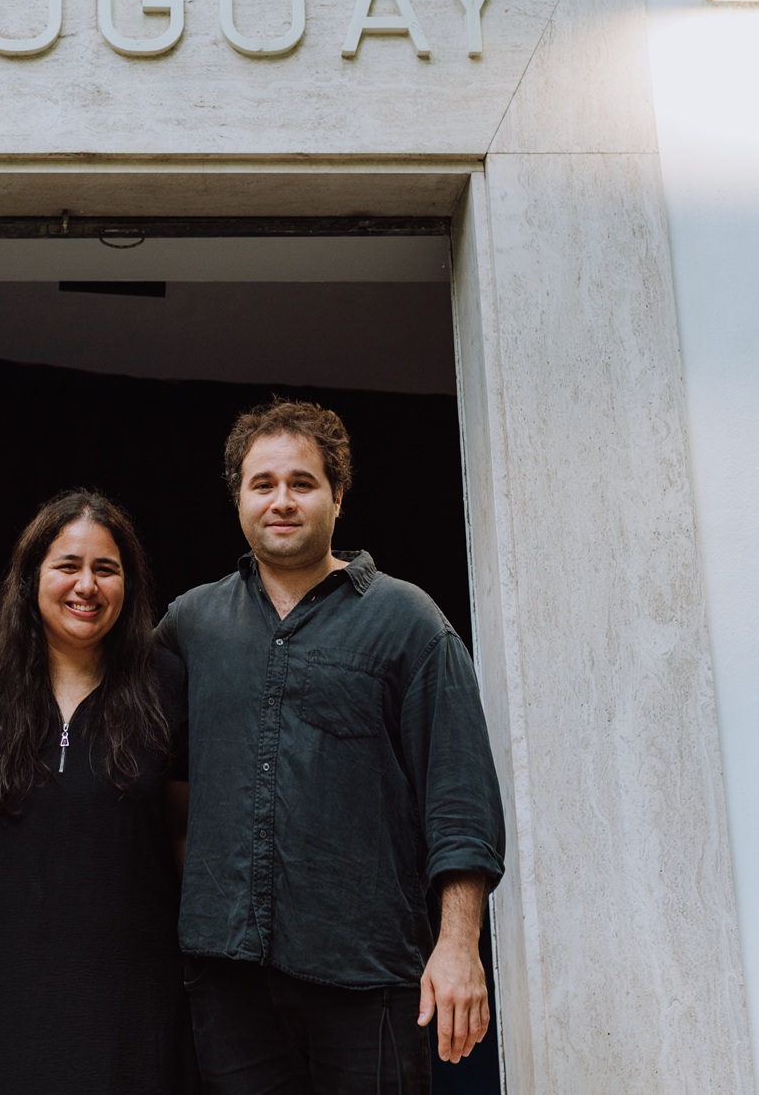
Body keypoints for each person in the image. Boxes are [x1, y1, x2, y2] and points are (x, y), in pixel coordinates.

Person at [160, 400, 507, 1095]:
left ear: (338, 498)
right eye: (263, 485)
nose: (281, 501)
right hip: (228, 977)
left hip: (365, 971)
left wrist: (459, 944)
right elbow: (138, 754)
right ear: (238, 498)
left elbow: (460, 800)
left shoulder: (409, 623)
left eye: (302, 483)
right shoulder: (190, 624)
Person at [0, 490, 197, 1095]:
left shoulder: (166, 684)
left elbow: (182, 835)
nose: (85, 585)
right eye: (67, 566)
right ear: (31, 577)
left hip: (133, 993)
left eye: (105, 569)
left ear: (129, 584)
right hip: (8, 991)